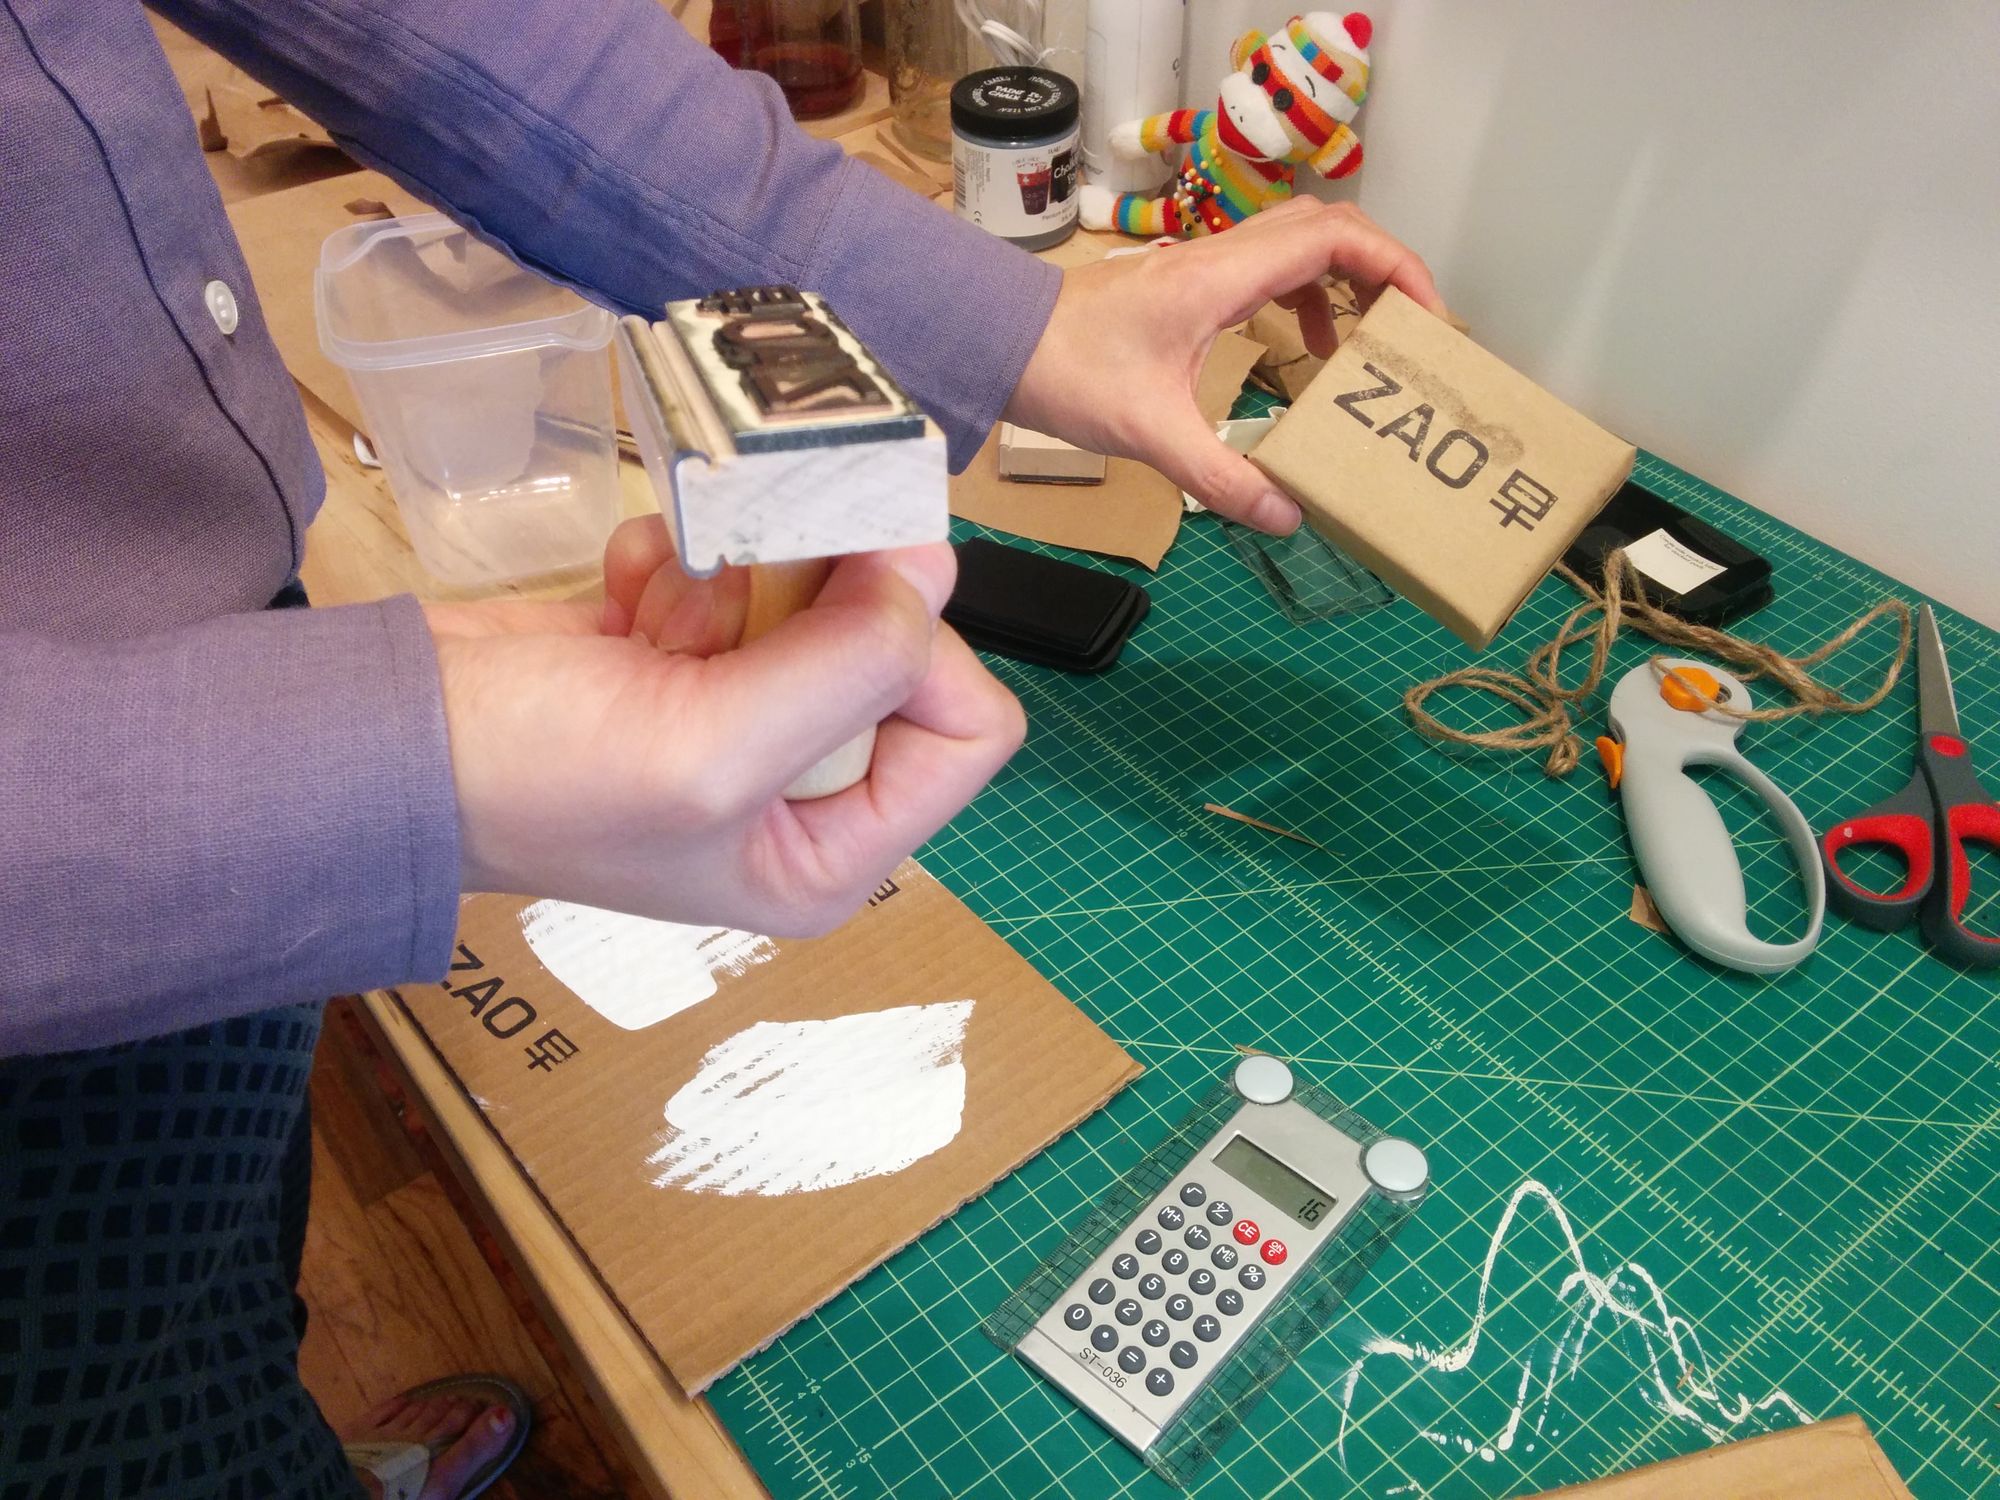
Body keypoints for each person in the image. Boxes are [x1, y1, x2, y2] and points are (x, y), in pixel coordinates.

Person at [0, 0, 1443, 1494]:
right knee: (110, 1433)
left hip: (229, 684)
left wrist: (1026, 320)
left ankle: (264, 1423)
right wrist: (416, 753)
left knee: (215, 1293)